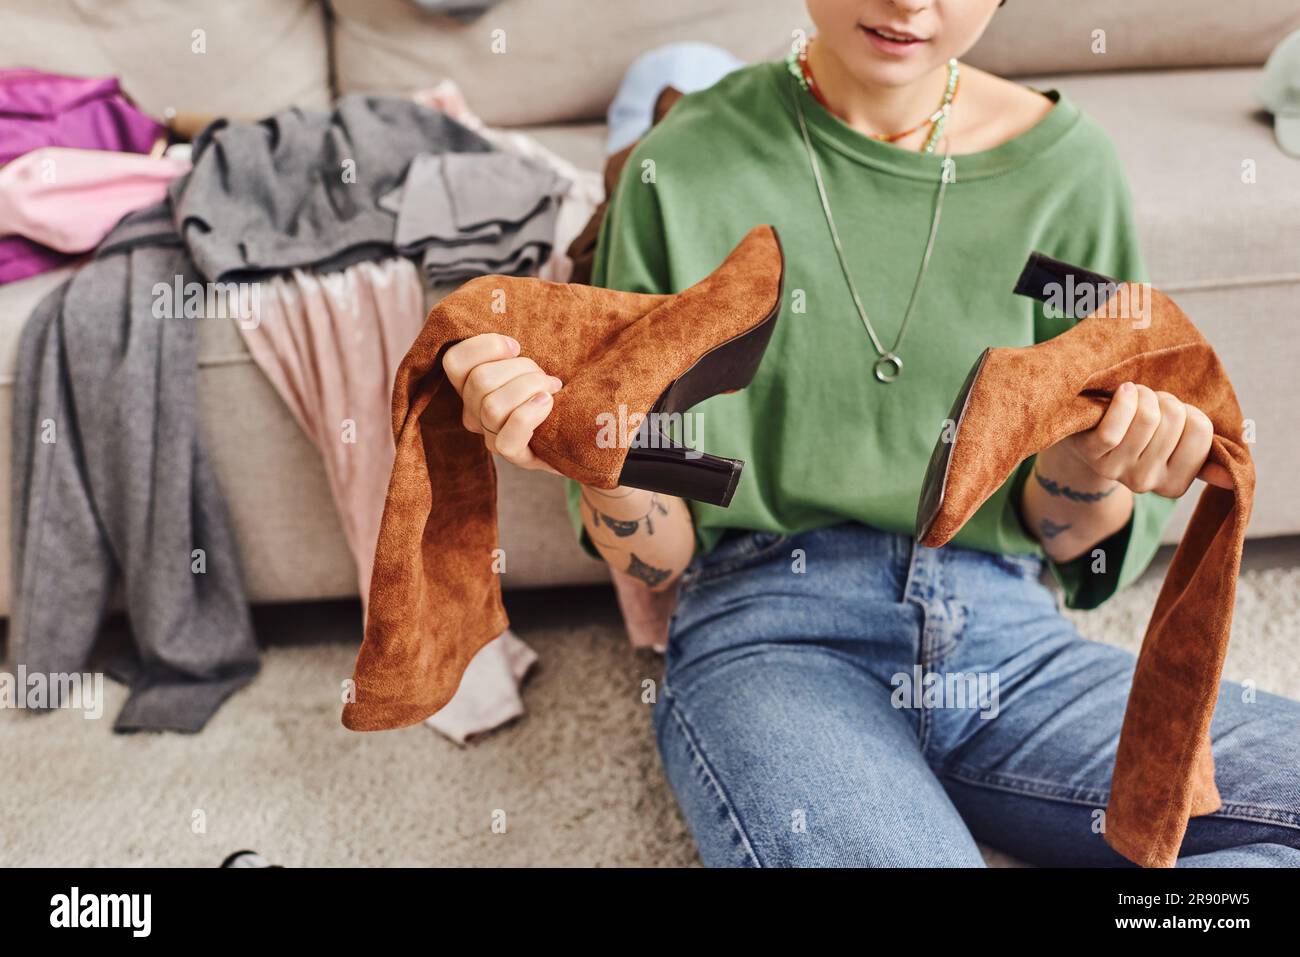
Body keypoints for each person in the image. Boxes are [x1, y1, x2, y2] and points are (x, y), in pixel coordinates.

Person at [439, 0, 1300, 866]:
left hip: (1011, 636)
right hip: (770, 634)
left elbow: (1081, 553)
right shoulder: (684, 163)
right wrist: (603, 467)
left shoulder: (1072, 173)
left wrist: (1086, 465)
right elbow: (656, 559)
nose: (908, 2)